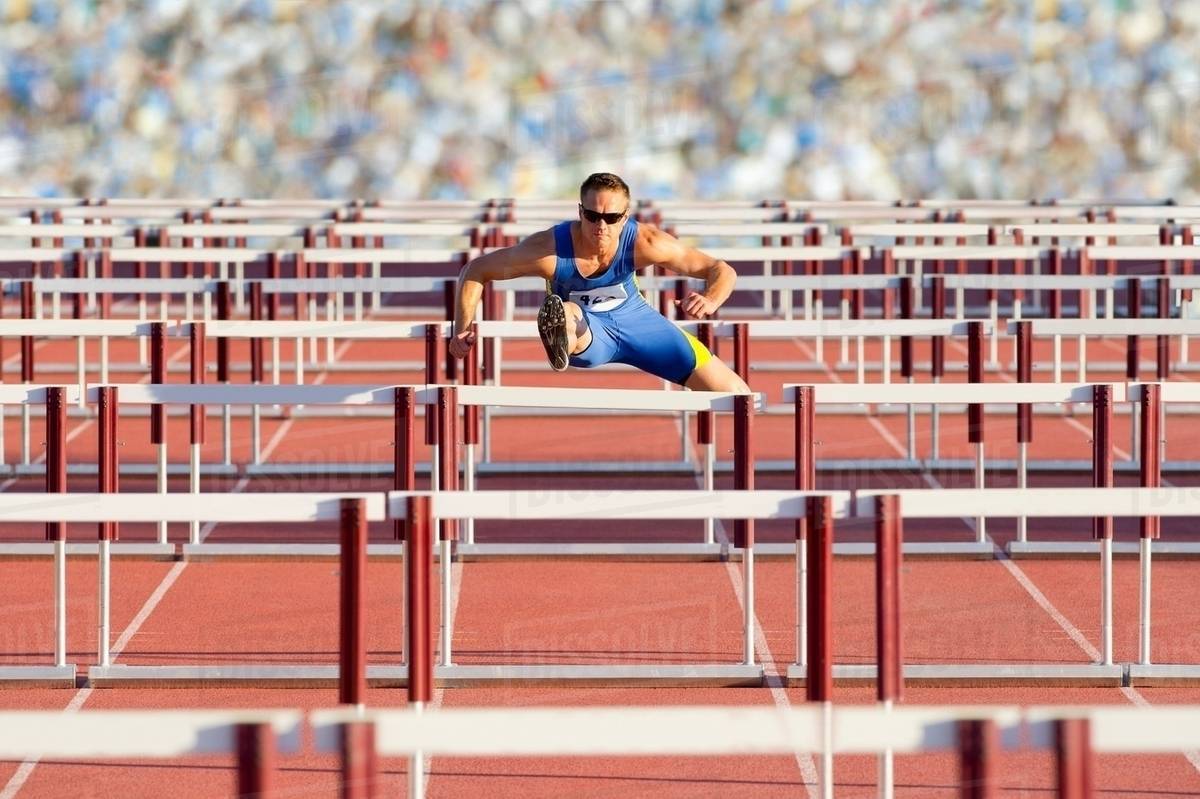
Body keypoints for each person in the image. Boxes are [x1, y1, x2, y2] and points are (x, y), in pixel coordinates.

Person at [448, 172, 750, 393]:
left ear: (626, 216)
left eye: (611, 217)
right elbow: (476, 270)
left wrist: (710, 299)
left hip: (638, 321)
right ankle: (561, 331)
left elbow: (721, 269)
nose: (600, 226)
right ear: (580, 212)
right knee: (568, 313)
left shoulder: (646, 242)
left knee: (737, 394)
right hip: (589, 329)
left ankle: (745, 478)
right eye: (592, 216)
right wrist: (461, 329)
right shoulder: (548, 251)